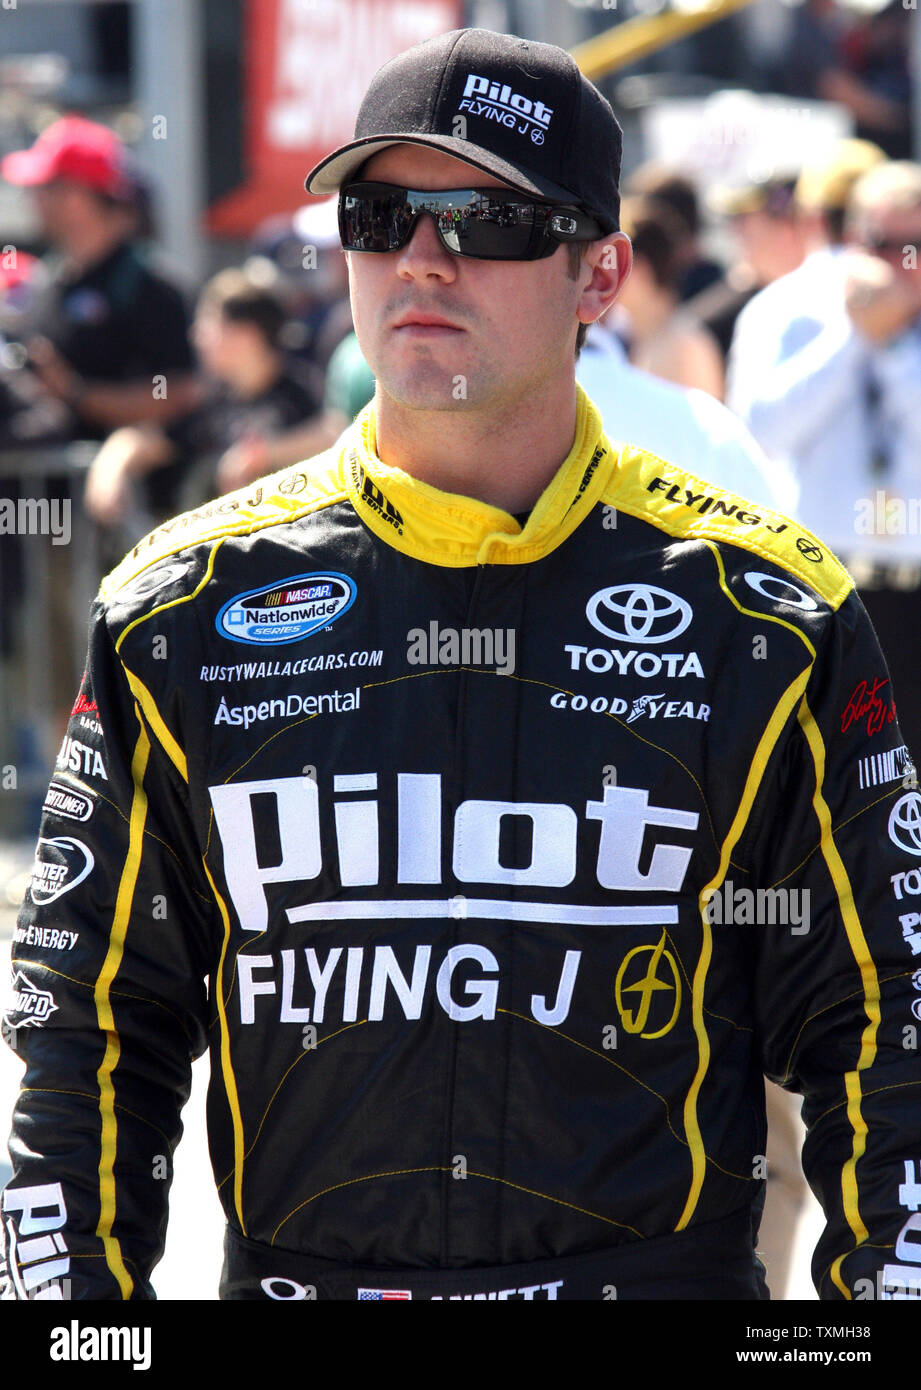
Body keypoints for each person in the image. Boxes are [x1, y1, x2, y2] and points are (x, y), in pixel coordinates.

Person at [2, 27, 919, 1304]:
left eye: (486, 219)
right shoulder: (181, 605)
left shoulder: (767, 613)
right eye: (381, 214)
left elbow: (888, 1017)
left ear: (600, 273)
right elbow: (88, 1025)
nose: (422, 258)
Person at [728, 152, 921, 756]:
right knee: (825, 780)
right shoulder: (790, 307)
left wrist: (894, 352)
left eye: (912, 247)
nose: (898, 263)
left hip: (915, 590)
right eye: (880, 242)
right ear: (852, 234)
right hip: (822, 592)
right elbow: (757, 432)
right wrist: (853, 339)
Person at [83, 267, 333, 540]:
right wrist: (111, 467)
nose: (196, 336)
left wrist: (264, 454)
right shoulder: (216, 401)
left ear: (245, 334)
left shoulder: (303, 387)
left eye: (207, 324)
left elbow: (336, 432)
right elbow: (151, 439)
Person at [0, 115, 198, 438]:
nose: (33, 199)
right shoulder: (46, 281)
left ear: (78, 197)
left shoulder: (152, 286)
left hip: (125, 484)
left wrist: (77, 393)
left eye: (45, 187)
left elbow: (180, 394)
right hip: (41, 485)